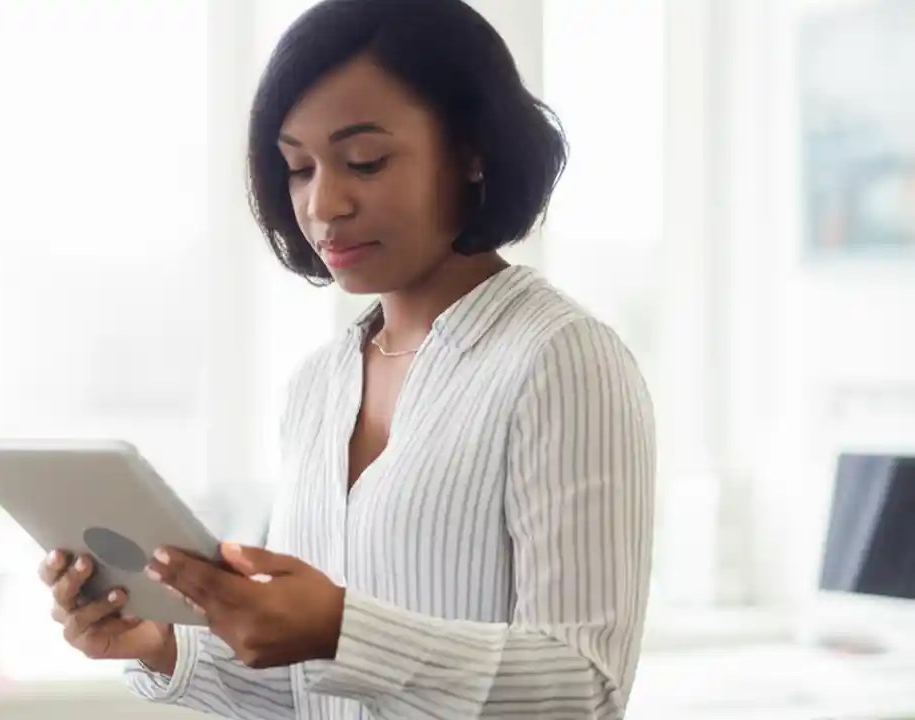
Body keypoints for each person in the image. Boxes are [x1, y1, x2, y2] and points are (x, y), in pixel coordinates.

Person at [37, 0, 655, 717]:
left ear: (473, 151)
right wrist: (158, 643)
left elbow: (584, 687)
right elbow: (307, 689)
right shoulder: (317, 387)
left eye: (365, 160)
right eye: (298, 168)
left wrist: (341, 629)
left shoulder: (562, 360)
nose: (323, 204)